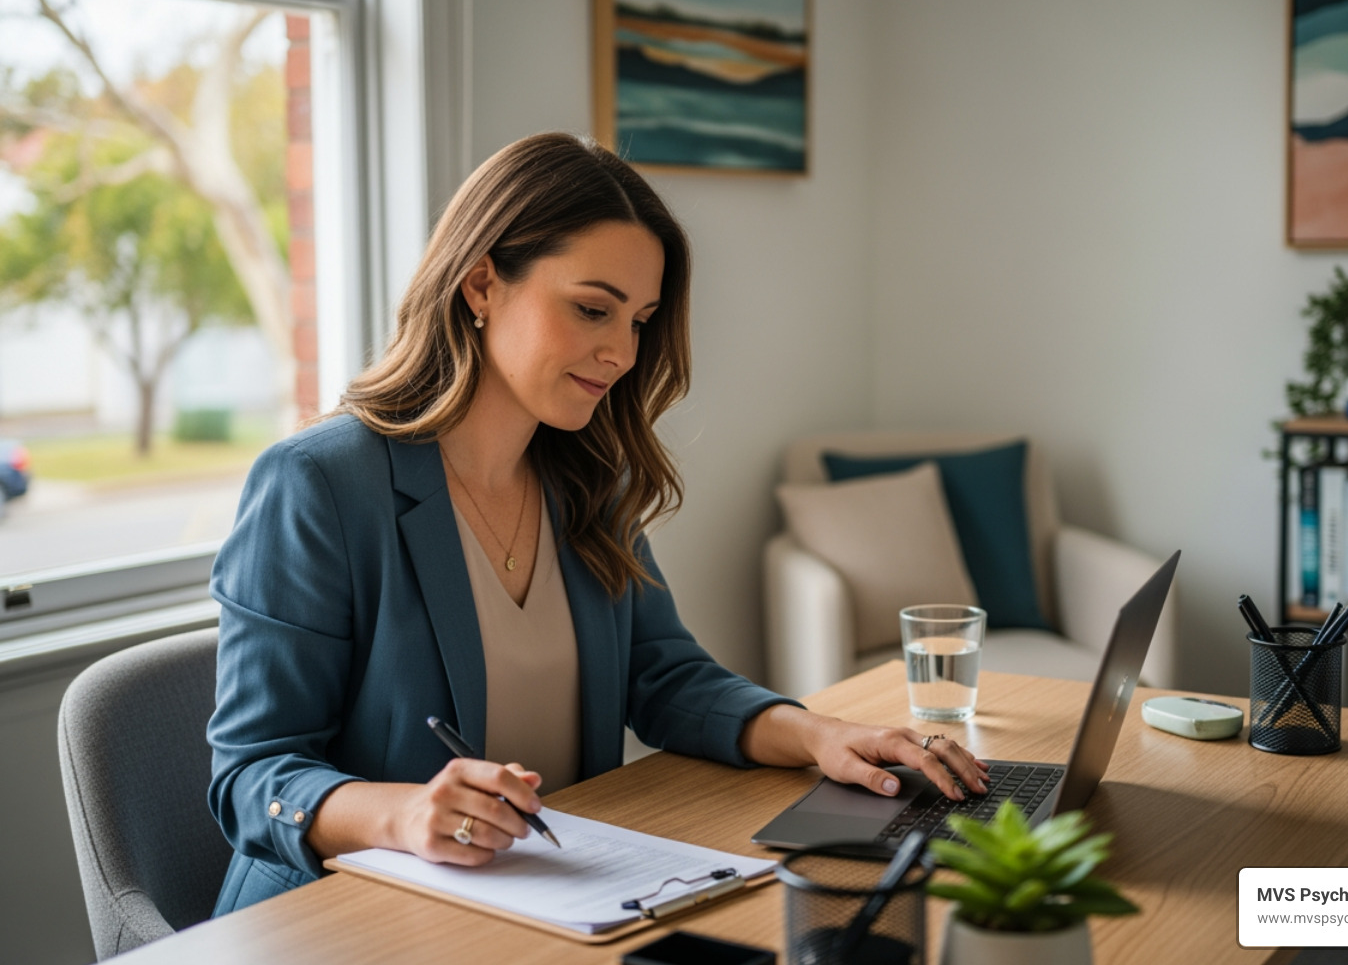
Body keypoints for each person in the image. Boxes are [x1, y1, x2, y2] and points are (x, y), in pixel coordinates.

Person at [206, 133, 988, 914]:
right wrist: (405, 815)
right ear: (482, 286)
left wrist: (820, 736)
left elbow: (664, 677)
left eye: (640, 320)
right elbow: (250, 774)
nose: (620, 352)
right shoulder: (318, 483)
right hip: (341, 918)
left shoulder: (589, 474)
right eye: (591, 310)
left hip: (548, 904)